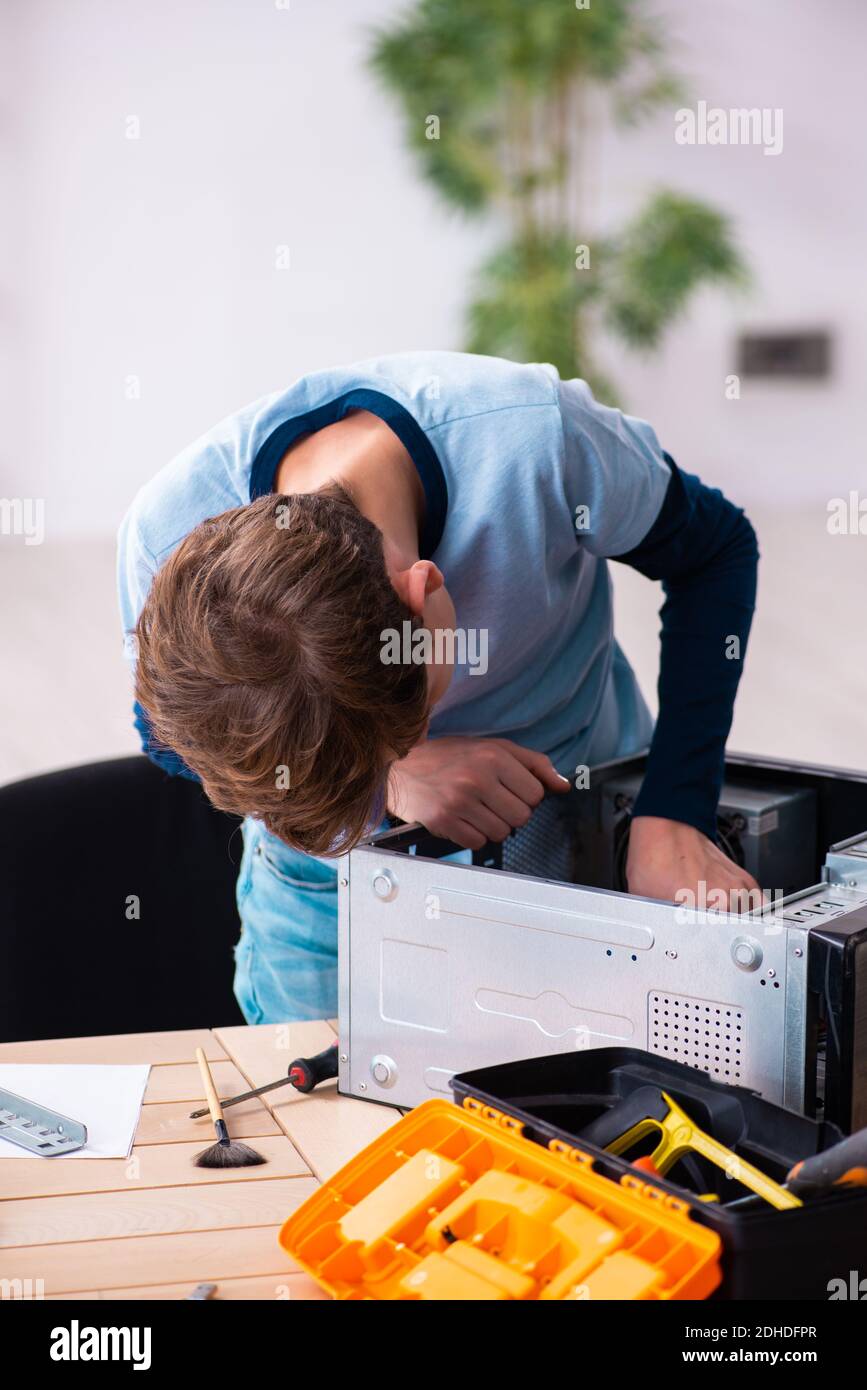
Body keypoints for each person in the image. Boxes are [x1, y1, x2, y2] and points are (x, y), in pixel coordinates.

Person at [118, 351, 759, 1023]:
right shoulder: (165, 543)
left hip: (576, 816)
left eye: (412, 725)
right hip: (317, 865)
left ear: (423, 592)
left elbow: (715, 553)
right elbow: (166, 741)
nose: (415, 739)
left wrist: (673, 814)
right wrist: (391, 785)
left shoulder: (533, 442)